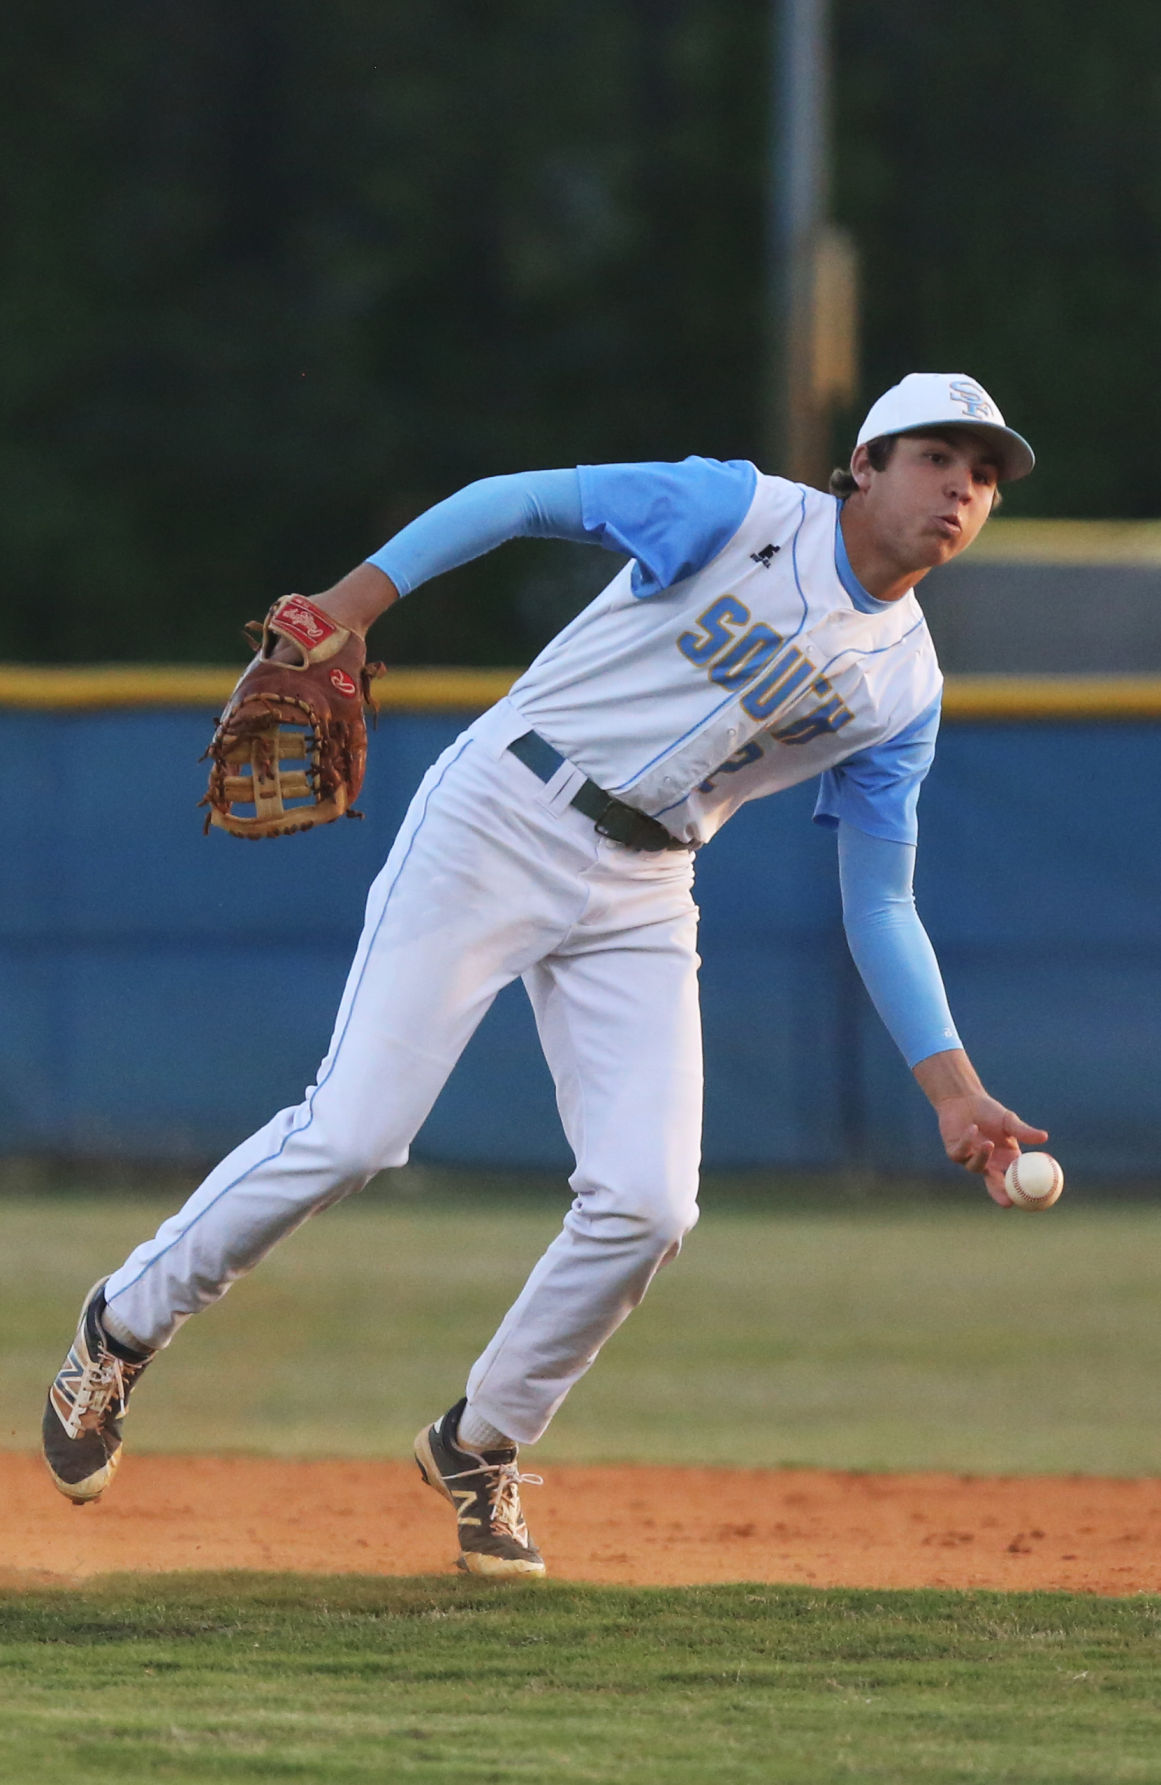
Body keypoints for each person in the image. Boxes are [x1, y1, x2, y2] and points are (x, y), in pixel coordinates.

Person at [43, 371, 1049, 1579]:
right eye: (939, 455)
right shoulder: (736, 515)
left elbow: (882, 899)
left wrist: (952, 1088)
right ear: (866, 463)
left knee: (648, 1204)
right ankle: (121, 1326)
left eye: (986, 475)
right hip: (506, 807)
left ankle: (481, 1442)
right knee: (355, 1133)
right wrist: (349, 605)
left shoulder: (905, 689)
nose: (963, 488)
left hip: (646, 885)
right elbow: (514, 498)